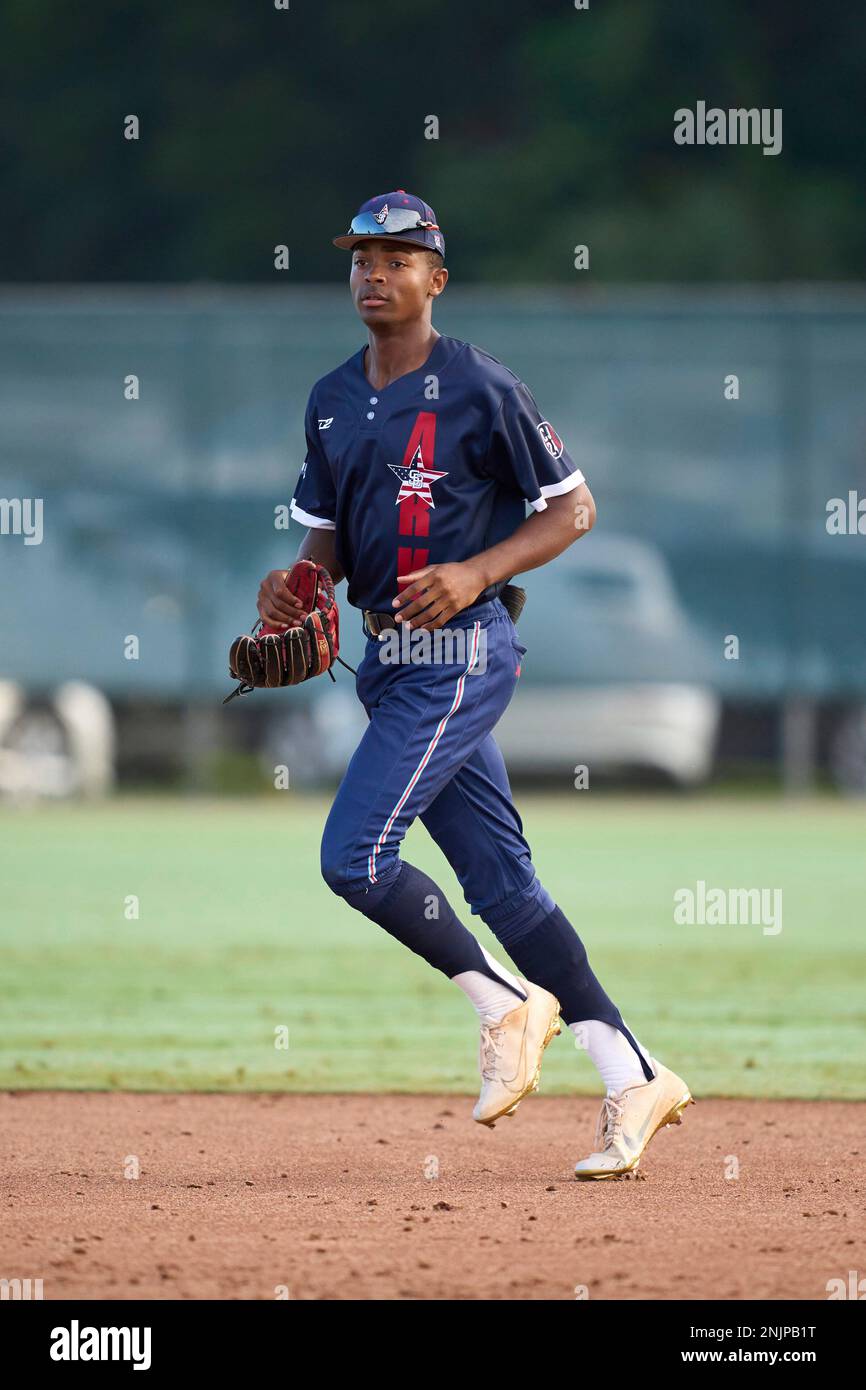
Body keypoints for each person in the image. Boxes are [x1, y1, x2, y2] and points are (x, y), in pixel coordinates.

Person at [257, 191, 693, 1179]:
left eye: (398, 258)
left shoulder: (478, 387)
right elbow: (322, 533)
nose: (375, 272)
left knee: (354, 858)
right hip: (384, 662)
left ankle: (505, 1004)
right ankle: (631, 1073)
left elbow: (573, 508)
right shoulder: (331, 395)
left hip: (458, 652)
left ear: (434, 280)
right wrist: (298, 591)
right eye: (362, 258)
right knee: (501, 884)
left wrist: (475, 572)